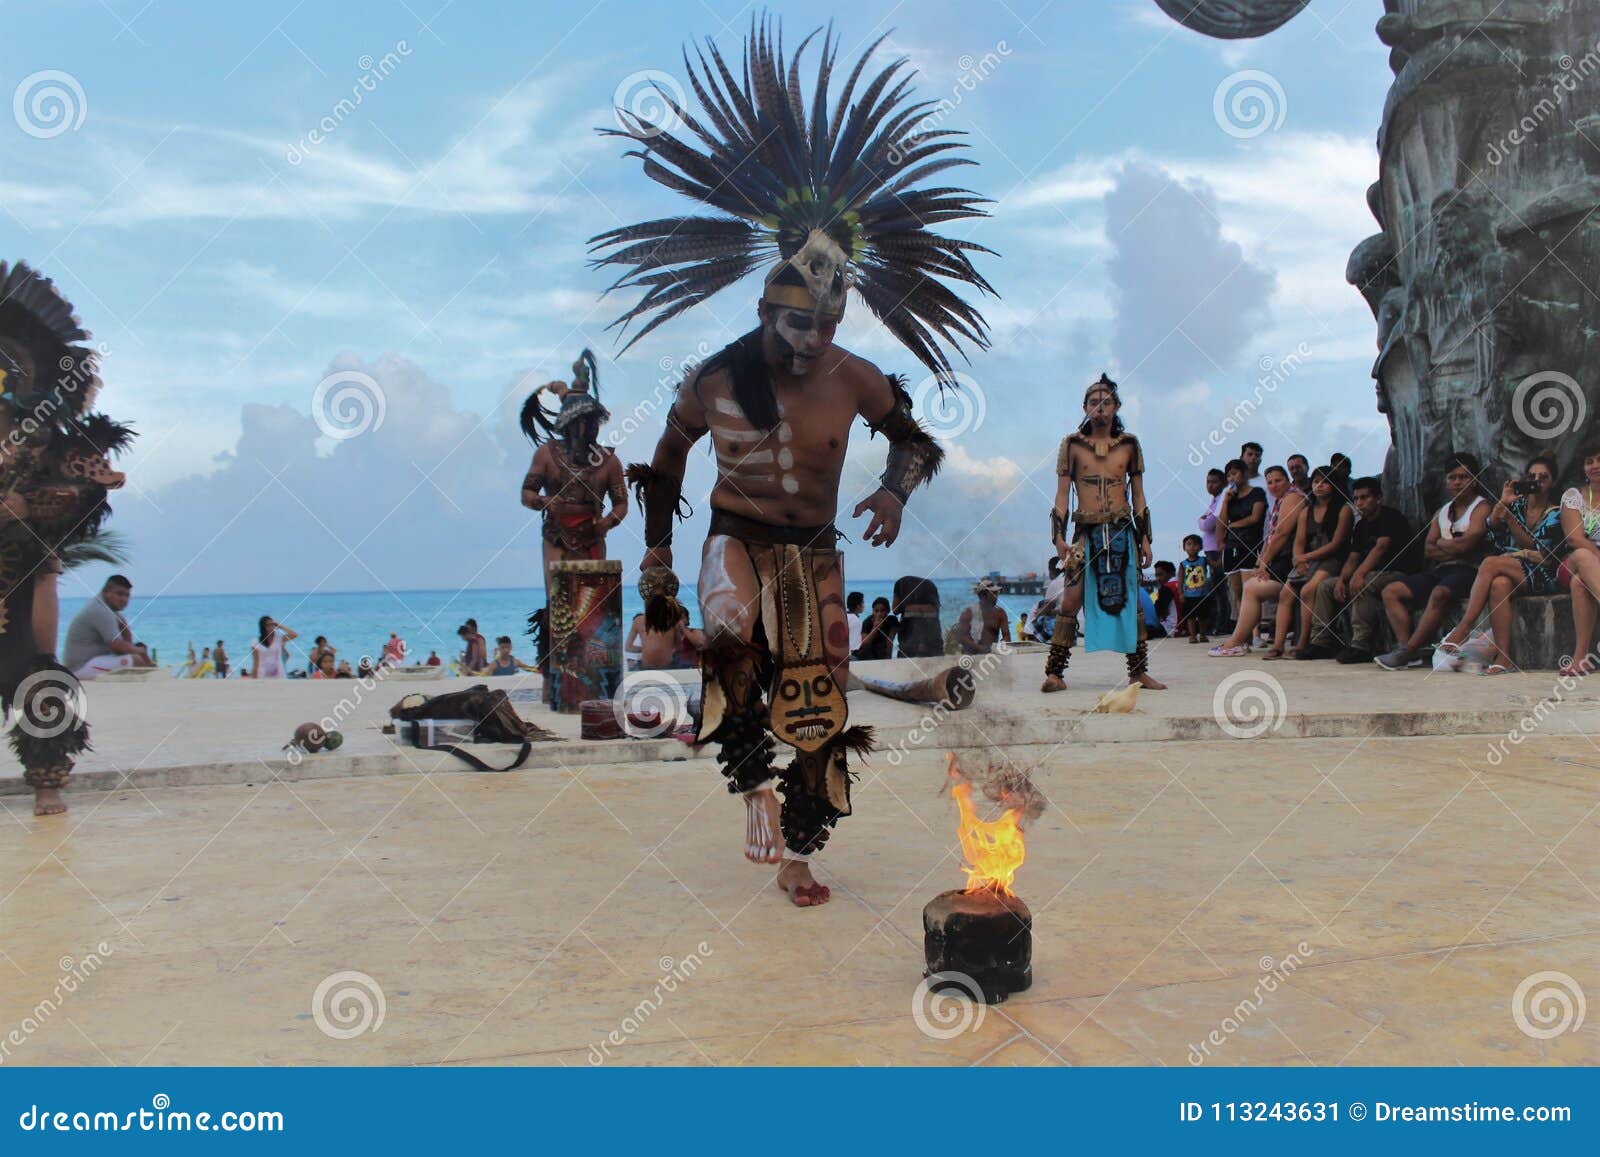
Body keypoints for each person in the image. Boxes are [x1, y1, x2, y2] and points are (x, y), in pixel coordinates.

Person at [610, 20, 988, 907]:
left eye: (826, 321)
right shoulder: (715, 380)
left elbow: (914, 439)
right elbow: (663, 466)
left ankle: (801, 849)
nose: (811, 337)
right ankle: (751, 791)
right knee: (732, 629)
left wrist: (895, 493)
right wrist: (659, 560)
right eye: (796, 321)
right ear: (763, 307)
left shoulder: (855, 378)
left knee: (819, 694)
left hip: (815, 548)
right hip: (736, 534)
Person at [1042, 373, 1165, 692]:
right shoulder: (1071, 444)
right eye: (1094, 402)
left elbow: (1138, 494)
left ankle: (1138, 672)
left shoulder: (1129, 445)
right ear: (1084, 407)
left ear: (1117, 406)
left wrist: (1145, 538)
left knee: (1134, 603)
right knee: (1070, 599)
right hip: (1085, 532)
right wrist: (1058, 537)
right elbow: (1061, 495)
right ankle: (1055, 673)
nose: (1100, 408)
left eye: (1106, 402)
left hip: (1122, 531)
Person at [1432, 454, 1565, 674]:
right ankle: (1504, 658)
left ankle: (1465, 627)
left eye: (1543, 477)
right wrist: (1503, 504)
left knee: (1490, 563)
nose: (1536, 481)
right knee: (1499, 585)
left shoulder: (1556, 513)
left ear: (1552, 482)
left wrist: (1510, 518)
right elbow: (1494, 535)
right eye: (1532, 476)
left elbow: (1538, 547)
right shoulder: (1517, 504)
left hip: (1544, 573)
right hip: (1511, 568)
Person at [520, 349, 629, 593]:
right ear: (567, 424)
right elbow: (526, 494)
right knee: (559, 601)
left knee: (593, 605)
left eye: (590, 422)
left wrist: (607, 523)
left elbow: (621, 504)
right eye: (580, 422)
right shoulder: (547, 455)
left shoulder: (609, 462)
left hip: (593, 538)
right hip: (556, 537)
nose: (586, 429)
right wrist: (545, 501)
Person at [1375, 452, 1490, 669]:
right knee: (1391, 591)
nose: (1457, 483)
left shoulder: (1481, 507)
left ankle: (1406, 653)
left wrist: (1445, 545)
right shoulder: (1443, 511)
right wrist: (1453, 547)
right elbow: (1428, 549)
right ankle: (1407, 647)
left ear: (1474, 479)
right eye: (1453, 478)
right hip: (1441, 570)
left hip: (1468, 571)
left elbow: (1468, 545)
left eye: (1463, 477)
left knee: (1440, 593)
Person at [1320, 477, 1424, 664]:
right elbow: (1353, 557)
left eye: (1364, 497)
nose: (1359, 503)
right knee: (1326, 586)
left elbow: (1381, 547)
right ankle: (1320, 641)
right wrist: (1343, 580)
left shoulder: (1391, 517)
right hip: (1372, 573)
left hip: (1398, 572)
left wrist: (1358, 575)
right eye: (1356, 499)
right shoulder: (1360, 526)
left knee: (1364, 583)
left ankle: (1360, 645)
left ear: (1378, 498)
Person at [1209, 466, 1306, 657]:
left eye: (1278, 480)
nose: (1273, 485)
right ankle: (1240, 640)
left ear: (1288, 481)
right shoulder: (1280, 500)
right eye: (1270, 482)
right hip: (1280, 559)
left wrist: (1264, 563)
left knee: (1252, 588)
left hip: (1290, 561)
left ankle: (1237, 642)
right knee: (1249, 587)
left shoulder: (1293, 497)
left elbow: (1282, 533)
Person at [1282, 466, 1353, 659]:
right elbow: (1299, 541)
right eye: (1316, 481)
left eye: (1325, 482)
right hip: (1309, 560)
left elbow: (1336, 544)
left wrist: (1306, 557)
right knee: (1286, 592)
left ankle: (1306, 642)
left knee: (1308, 590)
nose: (1319, 486)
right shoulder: (1307, 510)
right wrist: (1298, 560)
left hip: (1333, 560)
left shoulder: (1344, 509)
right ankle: (1278, 644)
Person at [1557, 439, 1600, 677]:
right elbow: (1575, 539)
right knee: (1584, 555)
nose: (1595, 465)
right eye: (1589, 461)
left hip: (1588, 576)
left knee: (1580, 584)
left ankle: (1579, 659)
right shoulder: (1574, 496)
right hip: (1573, 562)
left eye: (1599, 459)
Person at [63, 576, 153, 680]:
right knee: (136, 660)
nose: (124, 599)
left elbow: (125, 640)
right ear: (106, 592)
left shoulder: (104, 607)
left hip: (88, 664)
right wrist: (140, 651)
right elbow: (116, 645)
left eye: (127, 595)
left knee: (137, 651)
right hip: (80, 668)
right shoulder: (101, 611)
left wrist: (125, 627)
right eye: (119, 594)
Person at [1216, 458, 1267, 631]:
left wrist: (1233, 525)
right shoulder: (1229, 496)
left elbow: (1255, 518)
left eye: (1234, 473)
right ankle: (1243, 631)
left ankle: (1256, 632)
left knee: (1250, 591)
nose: (1231, 478)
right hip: (1231, 546)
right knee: (1236, 592)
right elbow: (1221, 523)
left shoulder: (1257, 492)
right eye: (1228, 475)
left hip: (1250, 544)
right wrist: (1225, 502)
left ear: (1244, 474)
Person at [1197, 467, 1228, 632]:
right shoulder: (1214, 500)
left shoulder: (1221, 499)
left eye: (1214, 481)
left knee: (1220, 589)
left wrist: (1201, 520)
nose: (1210, 485)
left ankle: (1223, 624)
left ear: (1222, 483)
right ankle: (1221, 623)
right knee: (1217, 588)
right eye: (1208, 481)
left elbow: (1208, 524)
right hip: (1211, 549)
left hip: (1217, 549)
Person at [956, 579, 1010, 655]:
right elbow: (961, 637)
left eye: (997, 593)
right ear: (983, 595)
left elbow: (1007, 635)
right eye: (993, 593)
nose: (996, 596)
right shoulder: (968, 613)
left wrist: (999, 647)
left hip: (991, 654)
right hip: (971, 655)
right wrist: (979, 648)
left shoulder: (1000, 613)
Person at [1177, 534, 1212, 642]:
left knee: (1203, 616)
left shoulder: (1204, 560)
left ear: (1200, 547)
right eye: (1189, 544)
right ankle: (1192, 636)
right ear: (1184, 548)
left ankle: (1202, 634)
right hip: (1189, 595)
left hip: (1203, 594)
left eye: (1195, 544)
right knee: (1190, 617)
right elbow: (1180, 580)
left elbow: (1215, 565)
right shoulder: (1183, 564)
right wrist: (1181, 593)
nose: (1192, 547)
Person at [857, 596, 898, 661]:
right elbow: (864, 643)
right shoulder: (867, 621)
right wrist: (875, 628)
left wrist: (888, 661)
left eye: (882, 610)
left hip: (882, 654)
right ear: (873, 611)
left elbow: (889, 642)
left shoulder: (892, 620)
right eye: (876, 611)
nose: (879, 614)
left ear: (888, 611)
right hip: (866, 655)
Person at [846, 591, 865, 657]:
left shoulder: (844, 616)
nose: (864, 605)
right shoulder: (855, 620)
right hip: (850, 658)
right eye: (863, 602)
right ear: (858, 606)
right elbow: (854, 647)